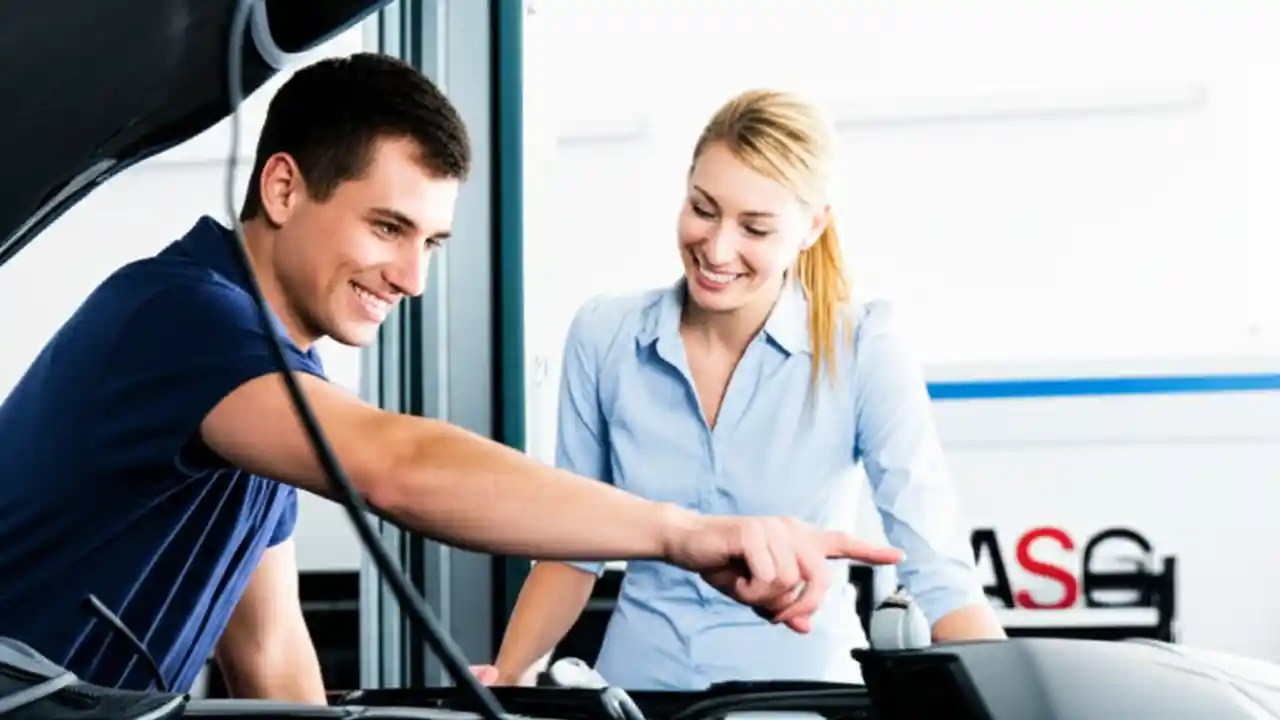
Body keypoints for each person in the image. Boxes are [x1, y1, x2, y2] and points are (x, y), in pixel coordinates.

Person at [0, 55, 903, 702]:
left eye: (431, 242)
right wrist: (680, 532)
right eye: (387, 227)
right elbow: (398, 467)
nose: (412, 278)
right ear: (282, 189)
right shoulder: (184, 318)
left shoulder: (266, 386)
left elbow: (270, 650)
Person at [472, 89, 1005, 690]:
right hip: (641, 695)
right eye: (703, 209)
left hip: (805, 701)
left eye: (755, 227)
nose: (717, 249)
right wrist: (509, 675)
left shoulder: (864, 346)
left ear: (812, 227)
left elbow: (939, 572)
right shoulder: (605, 335)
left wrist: (1010, 700)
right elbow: (573, 544)